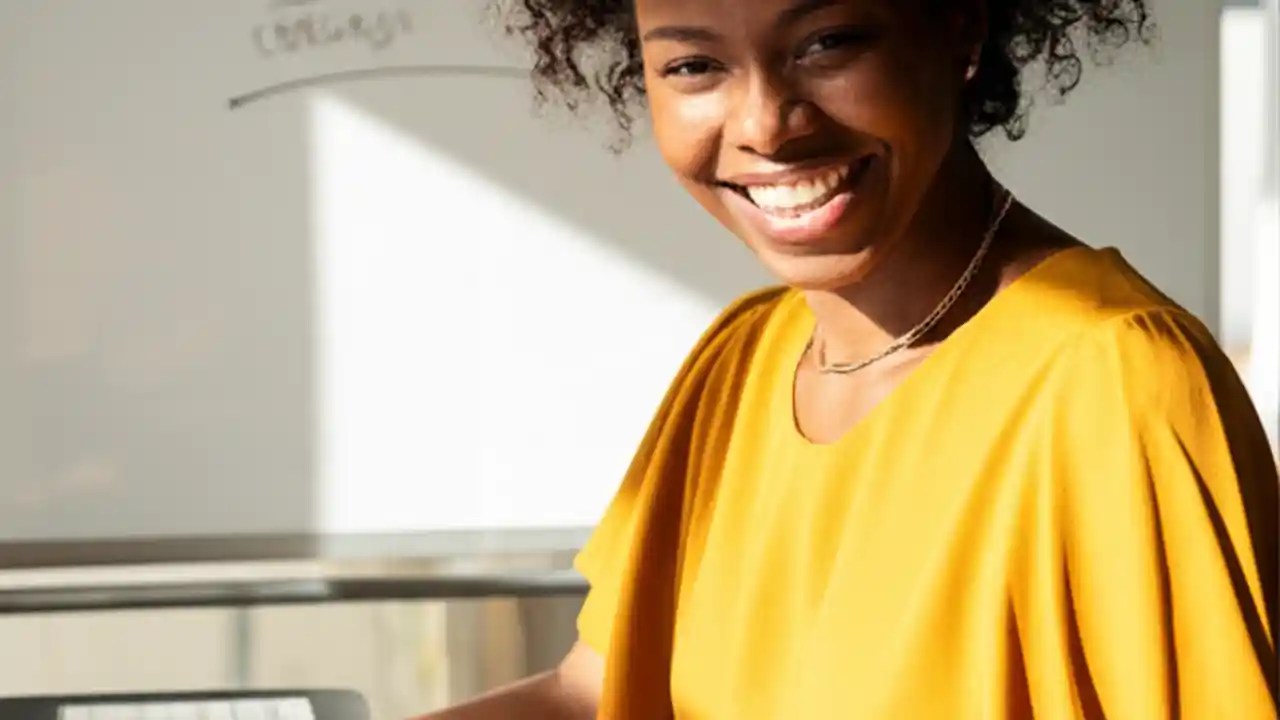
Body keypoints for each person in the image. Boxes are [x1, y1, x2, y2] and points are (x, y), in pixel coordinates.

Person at [417, 0, 1279, 717]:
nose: (766, 126)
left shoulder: (1114, 382)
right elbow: (591, 694)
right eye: (693, 67)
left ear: (960, 29)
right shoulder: (740, 361)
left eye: (828, 43)